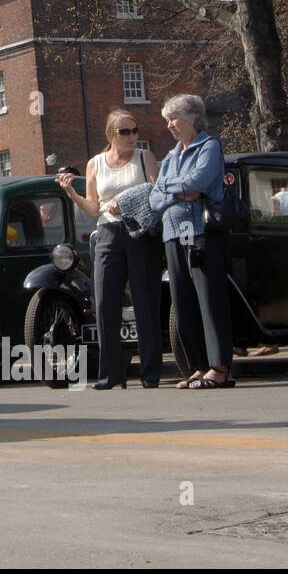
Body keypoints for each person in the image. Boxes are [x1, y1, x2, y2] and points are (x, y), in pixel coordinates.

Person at [58, 111, 160, 389]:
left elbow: (156, 191)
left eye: (135, 131)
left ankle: (150, 373)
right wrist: (73, 195)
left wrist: (124, 201)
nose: (132, 137)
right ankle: (110, 374)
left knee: (145, 301)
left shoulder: (144, 158)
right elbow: (94, 206)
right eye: (125, 132)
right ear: (112, 135)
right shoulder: (95, 164)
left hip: (139, 231)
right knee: (104, 302)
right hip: (108, 231)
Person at [148, 93, 233, 389]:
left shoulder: (209, 146)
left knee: (210, 301)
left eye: (174, 119)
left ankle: (219, 368)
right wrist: (177, 190)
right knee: (183, 305)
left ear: (192, 119)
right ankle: (198, 366)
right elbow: (155, 198)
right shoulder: (171, 156)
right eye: (167, 120)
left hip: (201, 233)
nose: (169, 125)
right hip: (173, 234)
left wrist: (170, 188)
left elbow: (199, 182)